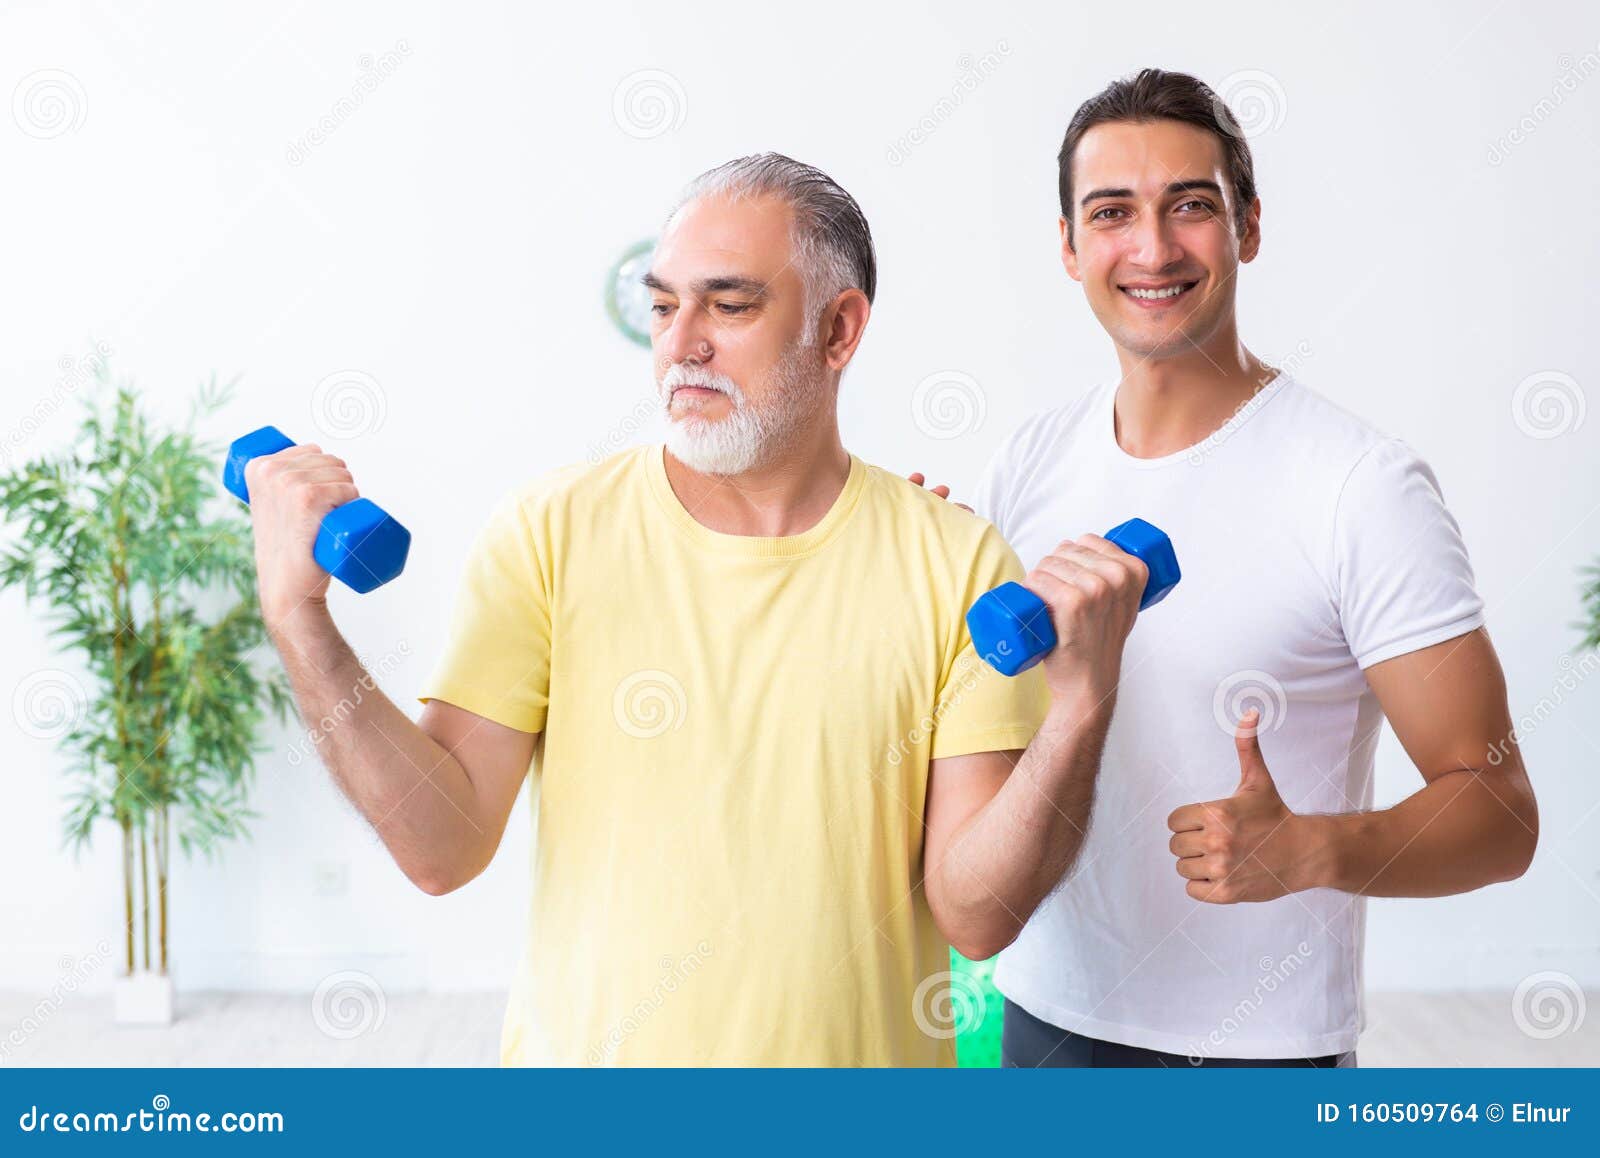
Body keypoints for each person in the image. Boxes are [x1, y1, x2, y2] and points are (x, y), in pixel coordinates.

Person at [245, 153, 1150, 1065]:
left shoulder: (956, 562)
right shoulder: (548, 533)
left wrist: (1079, 707)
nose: (683, 343)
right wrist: (299, 616)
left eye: (730, 304)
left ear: (839, 331)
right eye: (665, 304)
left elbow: (976, 916)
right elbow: (440, 848)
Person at [922, 68, 1537, 1067]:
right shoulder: (1028, 461)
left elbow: (1501, 814)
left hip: (1253, 1059)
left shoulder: (1359, 488)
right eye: (1112, 213)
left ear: (1247, 227)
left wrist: (1314, 849)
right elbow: (986, 719)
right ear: (1070, 249)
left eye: (1191, 207)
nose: (1152, 248)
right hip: (1037, 1020)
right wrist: (912, 572)